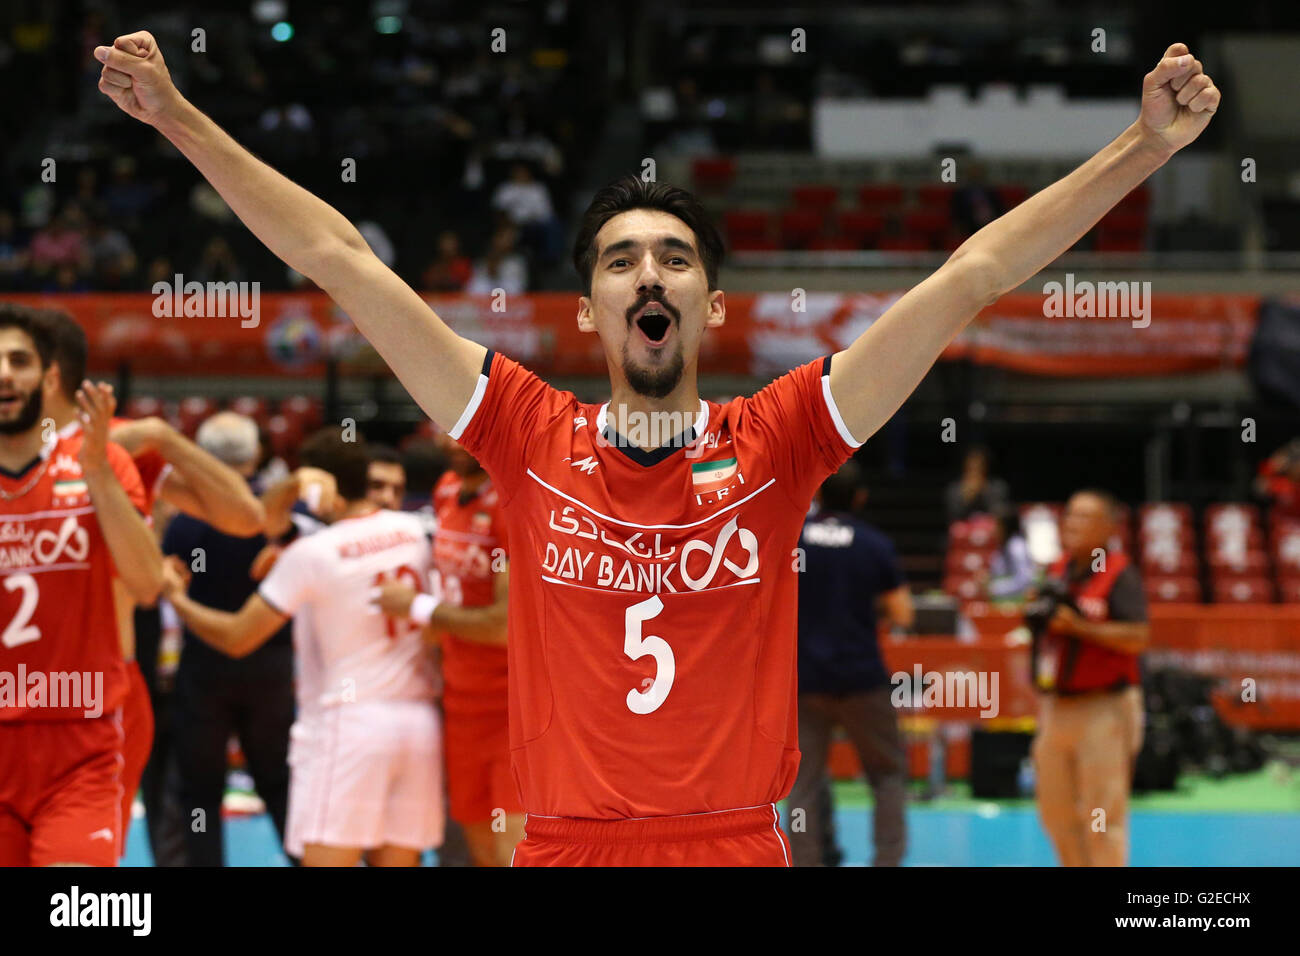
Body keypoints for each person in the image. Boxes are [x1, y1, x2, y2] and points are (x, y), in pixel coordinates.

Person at [94, 30, 1218, 865]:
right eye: (621, 258)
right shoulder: (525, 430)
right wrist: (181, 119)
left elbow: (969, 276)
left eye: (675, 258)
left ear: (710, 304)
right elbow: (339, 255)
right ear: (587, 309)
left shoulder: (779, 439)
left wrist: (1142, 145)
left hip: (731, 841)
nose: (648, 273)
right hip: (567, 841)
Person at [35, 309, 265, 863]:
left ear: (48, 375)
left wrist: (167, 438)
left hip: (96, 688)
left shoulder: (116, 446)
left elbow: (246, 516)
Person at [161, 428, 443, 867]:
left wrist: (176, 597)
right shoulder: (413, 532)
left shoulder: (313, 553)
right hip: (418, 725)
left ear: (317, 489)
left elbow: (237, 637)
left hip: (348, 727)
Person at [0, 304, 162, 866]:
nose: (3, 373)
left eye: (18, 360)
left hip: (80, 737)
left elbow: (146, 584)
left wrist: (96, 469)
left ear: (48, 376)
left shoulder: (101, 461)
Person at [374, 432, 521, 866]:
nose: (454, 440)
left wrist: (420, 608)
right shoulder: (447, 489)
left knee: (512, 850)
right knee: (479, 848)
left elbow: (503, 627)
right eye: (445, 428)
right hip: (460, 704)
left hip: (513, 709)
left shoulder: (514, 500)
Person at [161, 412, 293, 866]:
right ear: (257, 454)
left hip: (204, 667)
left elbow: (166, 583)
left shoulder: (183, 524)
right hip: (274, 665)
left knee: (200, 792)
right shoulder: (278, 515)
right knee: (279, 782)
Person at [786, 462, 913, 867]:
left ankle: (806, 861)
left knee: (802, 786)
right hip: (862, 679)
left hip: (806, 680)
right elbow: (904, 614)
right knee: (887, 776)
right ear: (860, 498)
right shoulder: (874, 544)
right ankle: (887, 862)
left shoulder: (795, 539)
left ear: (817, 495)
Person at [1030, 490, 1149, 866]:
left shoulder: (1119, 572)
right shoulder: (1056, 570)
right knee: (1056, 813)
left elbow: (1137, 638)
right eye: (1069, 516)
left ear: (1108, 527)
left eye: (1083, 517)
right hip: (1057, 705)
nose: (1071, 524)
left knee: (1101, 818)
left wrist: (1081, 628)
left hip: (1105, 708)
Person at [945, 446, 1010, 523]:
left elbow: (1001, 512)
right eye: (971, 467)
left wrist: (983, 491)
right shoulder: (954, 489)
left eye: (979, 466)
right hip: (964, 529)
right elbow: (952, 516)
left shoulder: (997, 486)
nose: (975, 470)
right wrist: (966, 499)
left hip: (989, 527)